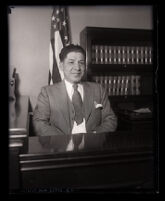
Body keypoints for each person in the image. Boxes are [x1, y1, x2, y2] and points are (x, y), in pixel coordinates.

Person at [33, 44, 117, 140]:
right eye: (71, 62)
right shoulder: (47, 93)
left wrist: (94, 136)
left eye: (81, 62)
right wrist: (63, 141)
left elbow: (110, 119)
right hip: (61, 148)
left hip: (93, 146)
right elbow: (39, 122)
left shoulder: (98, 90)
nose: (77, 68)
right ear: (61, 66)